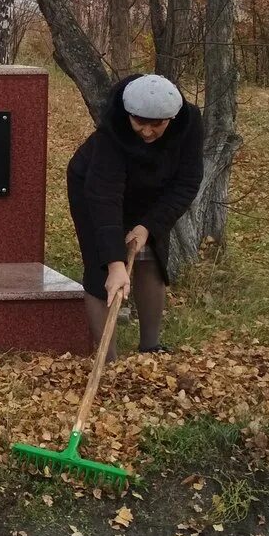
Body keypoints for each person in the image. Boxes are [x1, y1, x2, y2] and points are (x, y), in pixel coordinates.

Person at [66, 73, 203, 361]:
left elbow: (188, 181)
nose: (147, 131)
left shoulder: (189, 123)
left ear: (172, 117)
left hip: (153, 190)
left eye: (157, 124)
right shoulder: (111, 132)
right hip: (93, 186)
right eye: (140, 122)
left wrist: (148, 226)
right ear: (129, 113)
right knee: (102, 269)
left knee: (150, 255)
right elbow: (105, 196)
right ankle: (108, 359)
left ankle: (150, 347)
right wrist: (115, 264)